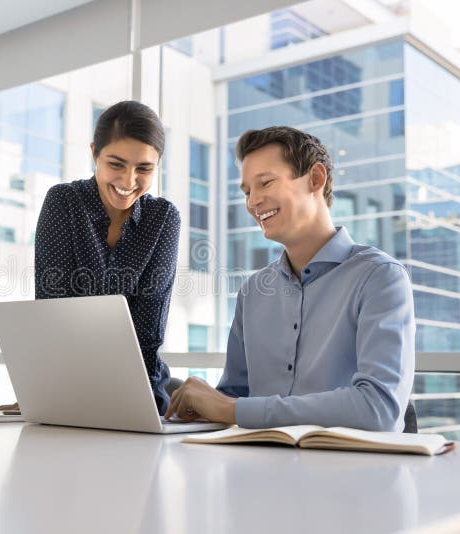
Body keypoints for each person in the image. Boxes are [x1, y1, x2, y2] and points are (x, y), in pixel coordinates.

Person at [165, 126, 415, 431]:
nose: (253, 201)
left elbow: (379, 408)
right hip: (257, 467)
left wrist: (233, 409)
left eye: (265, 183)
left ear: (315, 179)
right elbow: (234, 398)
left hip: (350, 473)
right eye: (246, 192)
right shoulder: (253, 293)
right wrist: (201, 406)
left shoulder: (380, 278)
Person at [29, 100, 179, 415]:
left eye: (144, 168)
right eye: (116, 164)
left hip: (138, 388)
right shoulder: (64, 202)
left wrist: (137, 403)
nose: (128, 181)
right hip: (65, 386)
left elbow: (147, 333)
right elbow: (54, 314)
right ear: (95, 152)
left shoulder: (163, 218)